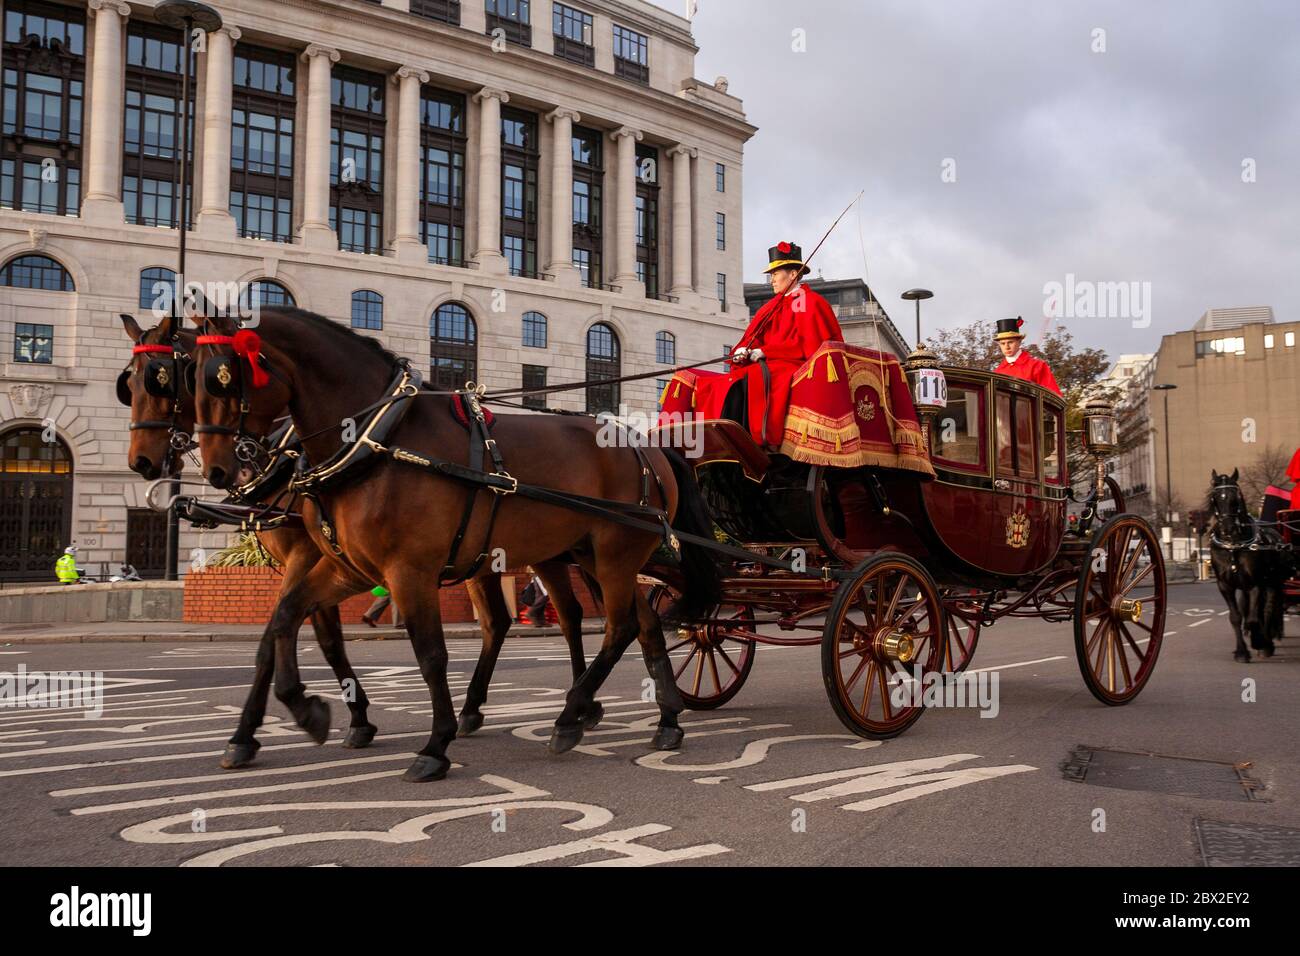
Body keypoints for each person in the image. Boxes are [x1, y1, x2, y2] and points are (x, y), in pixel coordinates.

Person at [678, 241, 844, 447]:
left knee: (752, 377)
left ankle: (755, 438)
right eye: (771, 274)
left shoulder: (809, 302)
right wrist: (743, 349)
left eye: (776, 273)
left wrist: (765, 352)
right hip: (767, 361)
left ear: (793, 274)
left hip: (795, 365)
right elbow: (754, 335)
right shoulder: (771, 306)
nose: (772, 279)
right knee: (721, 381)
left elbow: (806, 345)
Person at [992, 317, 1061, 396]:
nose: (1006, 347)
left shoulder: (1037, 366)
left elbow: (1054, 397)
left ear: (1019, 342)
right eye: (1003, 343)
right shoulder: (997, 372)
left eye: (1010, 342)